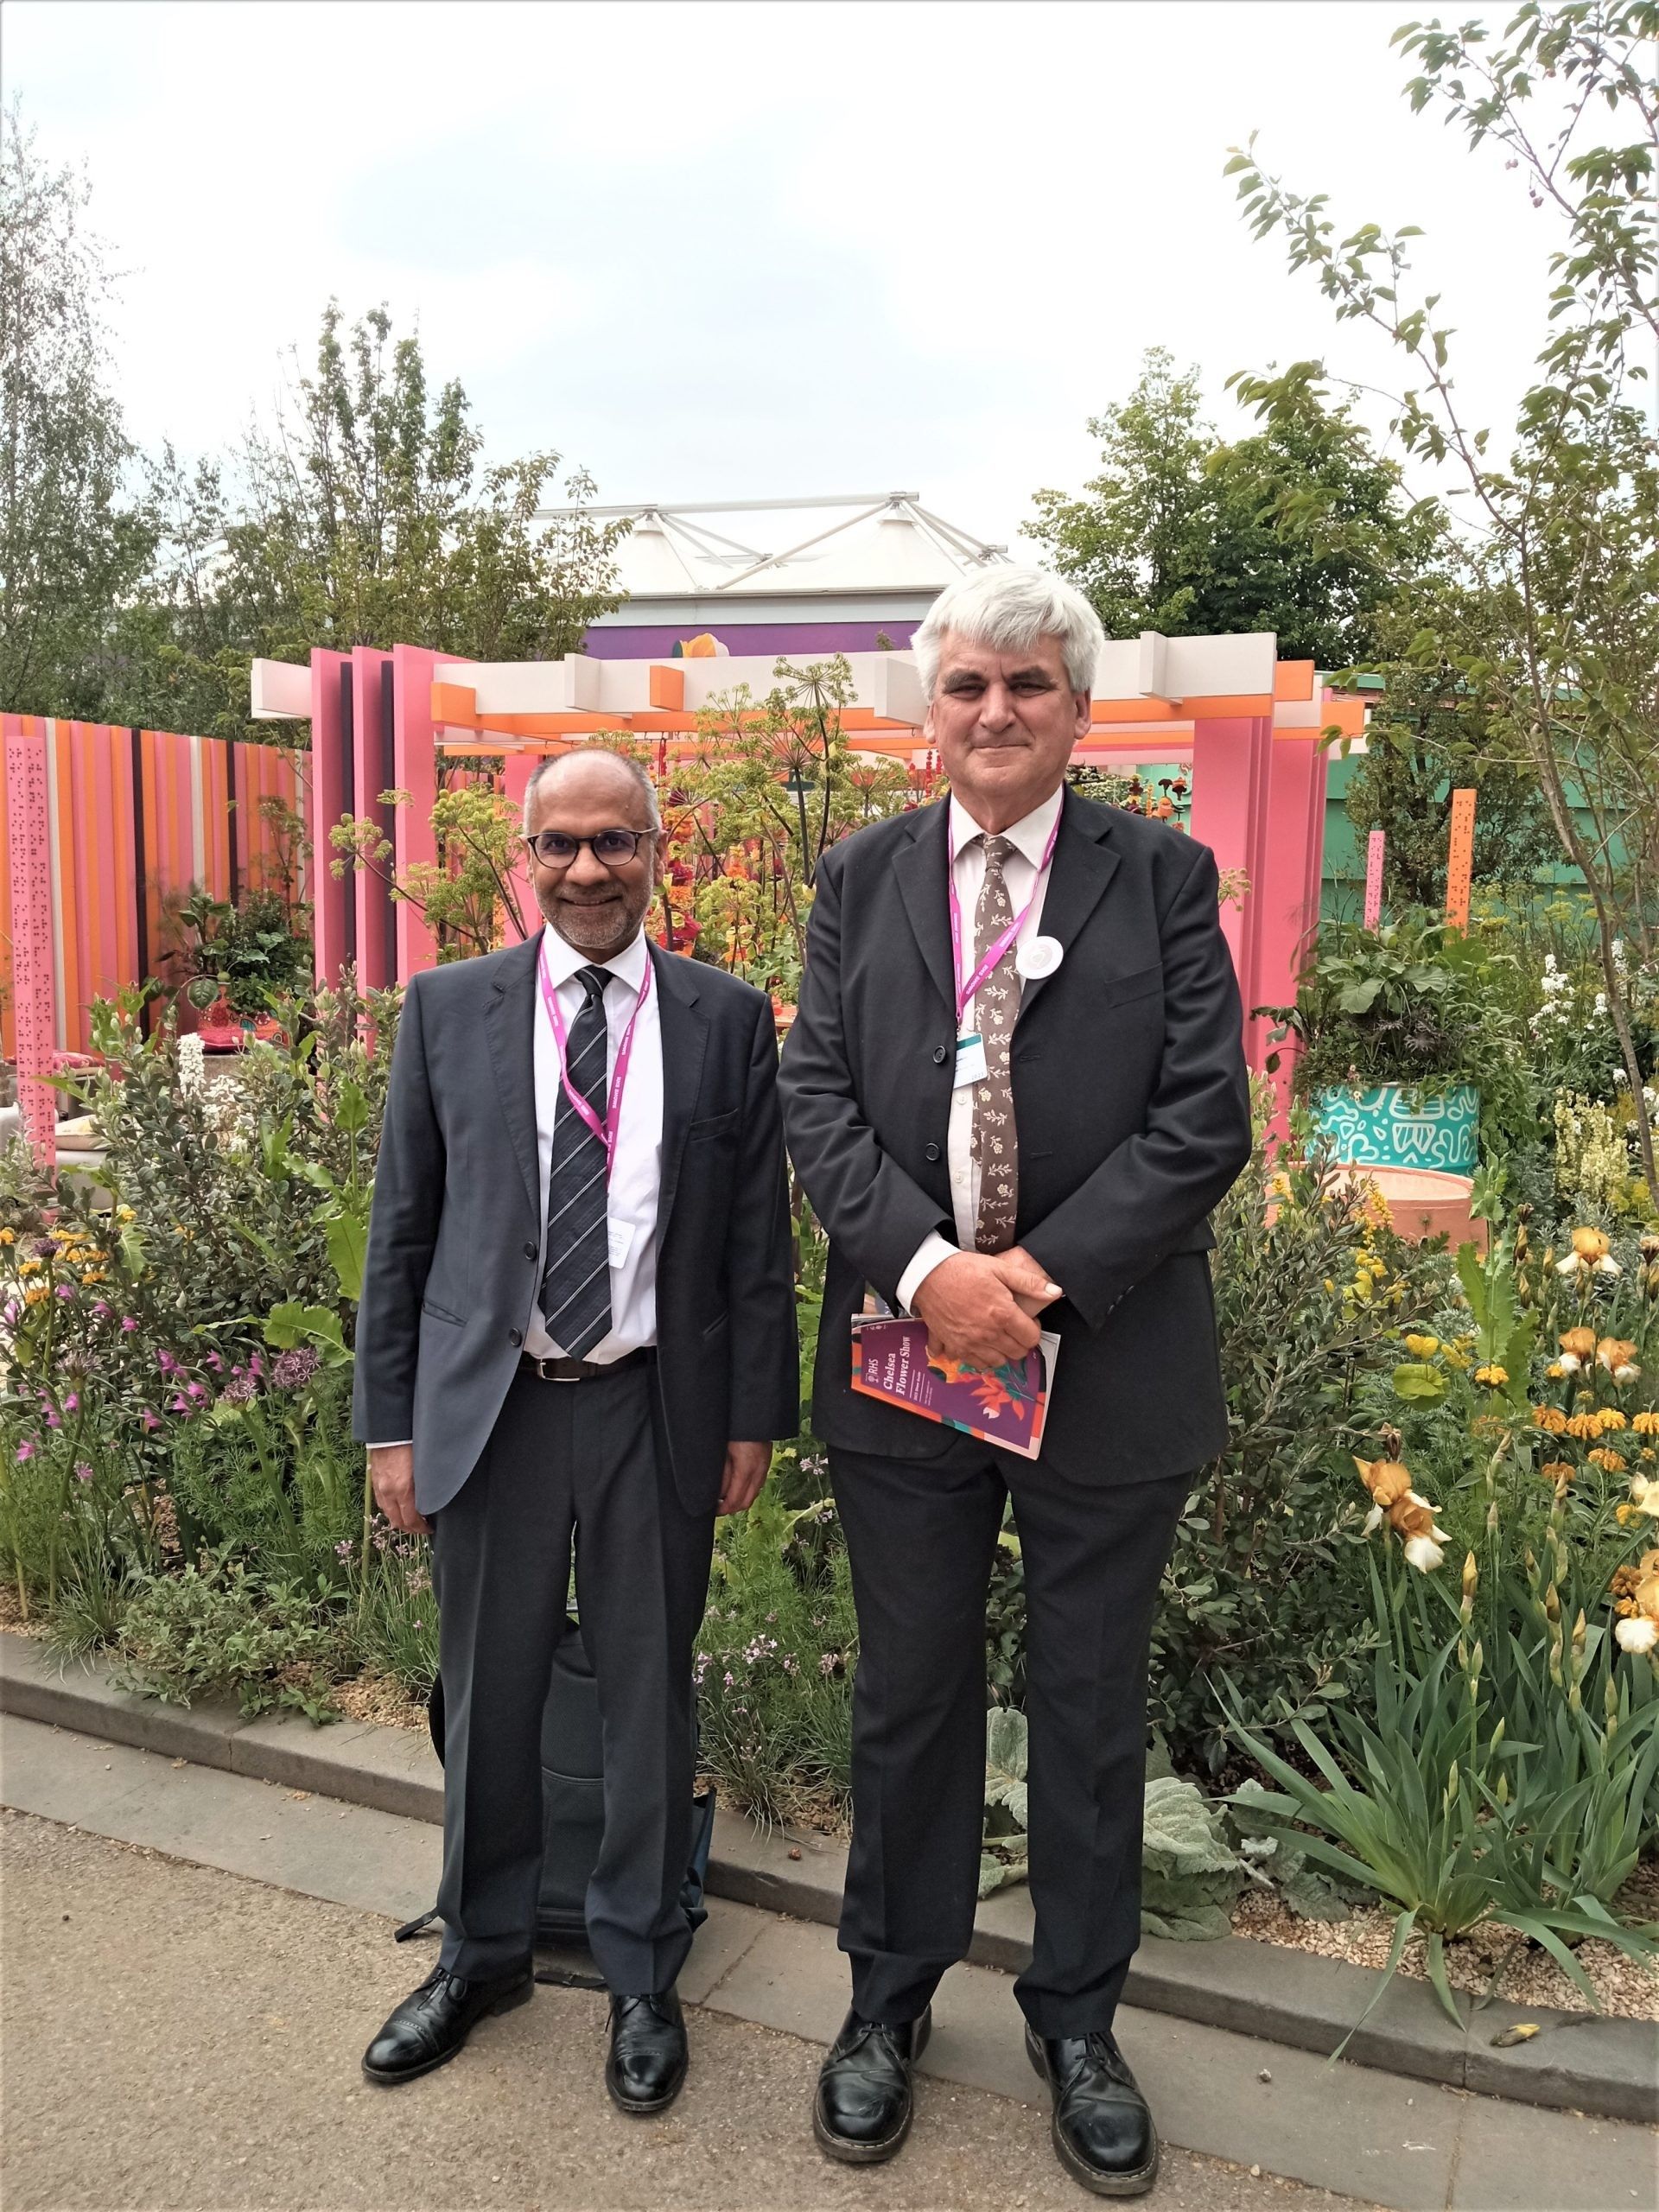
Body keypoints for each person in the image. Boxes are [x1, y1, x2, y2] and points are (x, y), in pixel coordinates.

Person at [779, 568, 1252, 2196]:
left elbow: (1205, 1120)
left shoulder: (1166, 878)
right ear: (932, 711)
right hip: (907, 1363)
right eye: (969, 685)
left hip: (1105, 1370)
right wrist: (931, 1276)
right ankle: (885, 2006)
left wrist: (1026, 1288)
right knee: (908, 1696)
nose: (997, 712)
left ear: (1079, 710)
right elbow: (816, 1096)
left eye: (1028, 687)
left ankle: (1077, 2023)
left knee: (1089, 1708)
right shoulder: (857, 878)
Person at [353, 747, 798, 2113]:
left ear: (661, 853)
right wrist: (390, 1426)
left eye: (616, 842)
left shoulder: (725, 1020)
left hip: (651, 1405)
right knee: (488, 1698)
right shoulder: (448, 1010)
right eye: (561, 844)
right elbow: (403, 1232)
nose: (588, 868)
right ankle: (480, 1953)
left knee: (648, 1701)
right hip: (492, 1411)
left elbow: (752, 1246)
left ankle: (642, 1970)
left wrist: (750, 1421)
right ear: (526, 861)